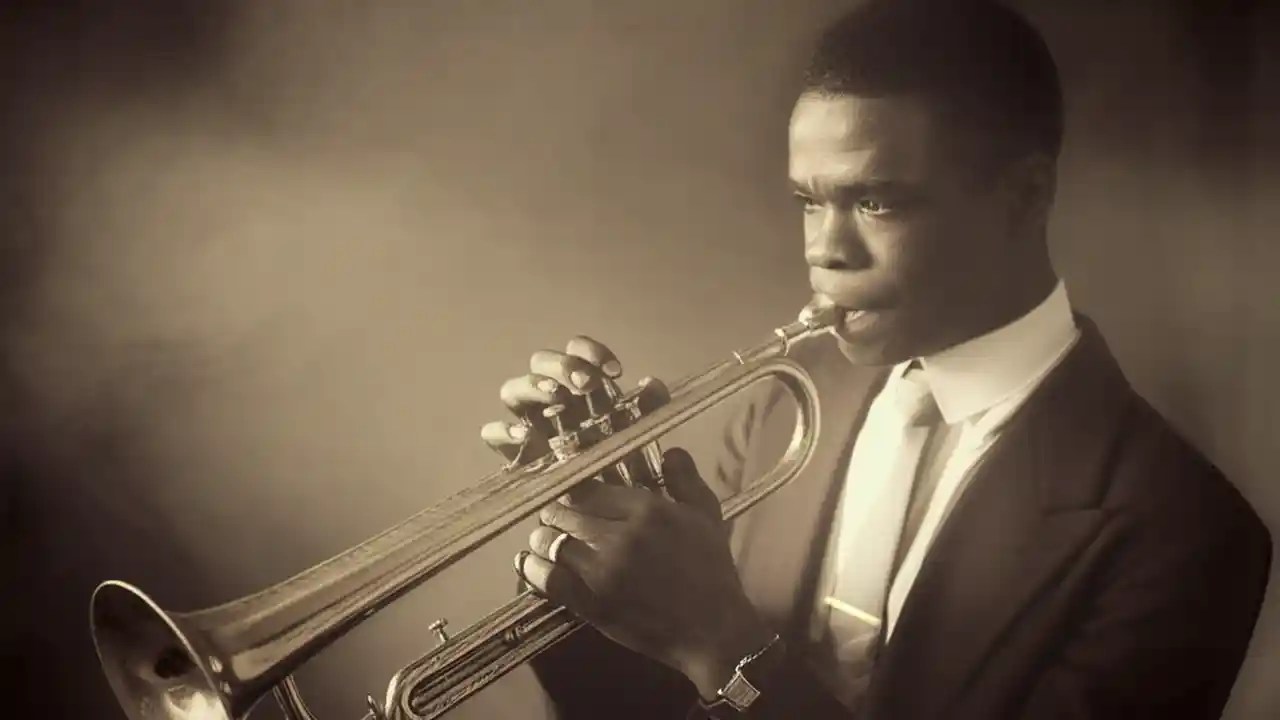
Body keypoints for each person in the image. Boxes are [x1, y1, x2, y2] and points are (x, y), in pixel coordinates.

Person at [479, 1, 1272, 718]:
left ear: (1026, 197)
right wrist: (584, 570)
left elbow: (715, 657)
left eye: (875, 201)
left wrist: (723, 642)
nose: (826, 251)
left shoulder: (1191, 532)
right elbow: (665, 707)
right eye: (809, 201)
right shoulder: (785, 406)